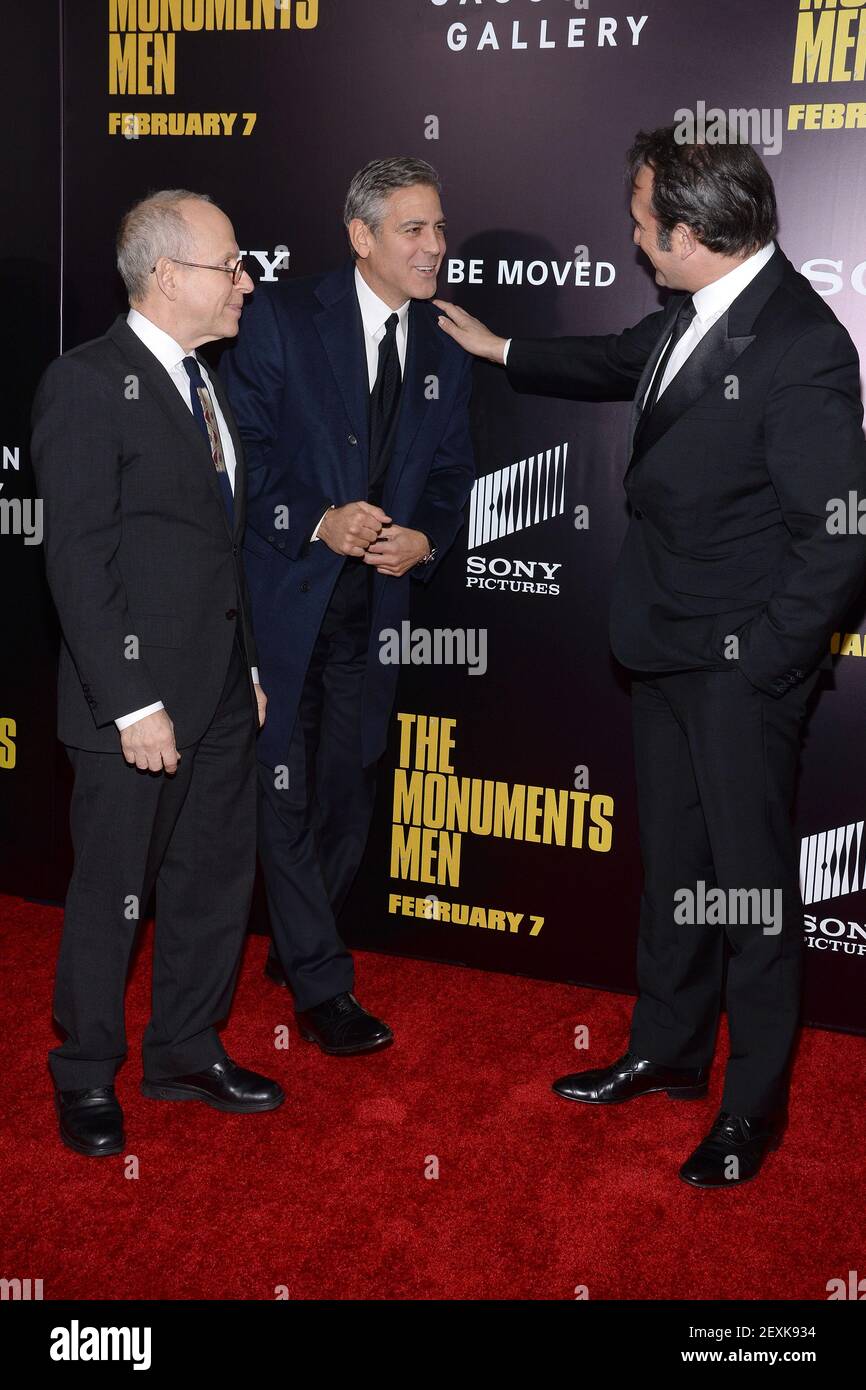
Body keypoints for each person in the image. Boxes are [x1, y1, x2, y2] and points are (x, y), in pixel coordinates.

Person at [435, 128, 866, 1187]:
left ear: (693, 233)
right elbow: (622, 359)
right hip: (661, 645)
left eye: (641, 226)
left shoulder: (800, 346)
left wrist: (764, 666)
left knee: (751, 898)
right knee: (675, 870)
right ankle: (667, 1054)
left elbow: (838, 533)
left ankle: (746, 1114)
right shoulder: (695, 308)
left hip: (737, 671)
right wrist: (499, 351)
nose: (630, 240)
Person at [31, 190, 284, 1157]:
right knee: (113, 892)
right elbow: (78, 563)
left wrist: (248, 667)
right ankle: (85, 1072)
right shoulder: (89, 383)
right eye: (232, 265)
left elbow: (219, 552)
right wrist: (132, 701)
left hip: (220, 687)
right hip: (130, 703)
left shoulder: (203, 380)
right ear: (170, 276)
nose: (247, 283)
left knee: (214, 882)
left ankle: (184, 1048)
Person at [222, 156, 475, 1055]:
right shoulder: (284, 319)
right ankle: (325, 984)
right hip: (286, 605)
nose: (435, 247)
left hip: (378, 616)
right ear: (361, 236)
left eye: (440, 228)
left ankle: (301, 940)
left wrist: (427, 540)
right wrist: (319, 520)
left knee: (348, 789)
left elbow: (450, 481)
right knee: (280, 791)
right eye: (414, 229)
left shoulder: (444, 346)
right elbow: (240, 453)